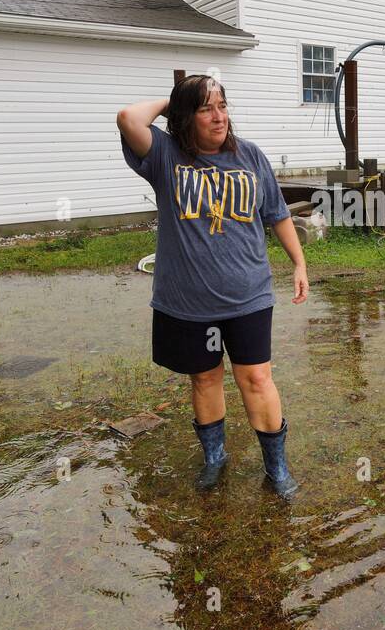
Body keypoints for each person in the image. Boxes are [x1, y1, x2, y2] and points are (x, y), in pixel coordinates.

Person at [116, 74, 308, 498]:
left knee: (257, 378)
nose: (219, 117)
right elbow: (129, 117)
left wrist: (298, 262)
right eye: (206, 109)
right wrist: (176, 103)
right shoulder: (166, 156)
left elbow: (276, 214)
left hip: (248, 295)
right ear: (186, 118)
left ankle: (276, 468)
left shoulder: (251, 156)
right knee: (204, 380)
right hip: (188, 301)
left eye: (222, 106)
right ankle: (214, 457)